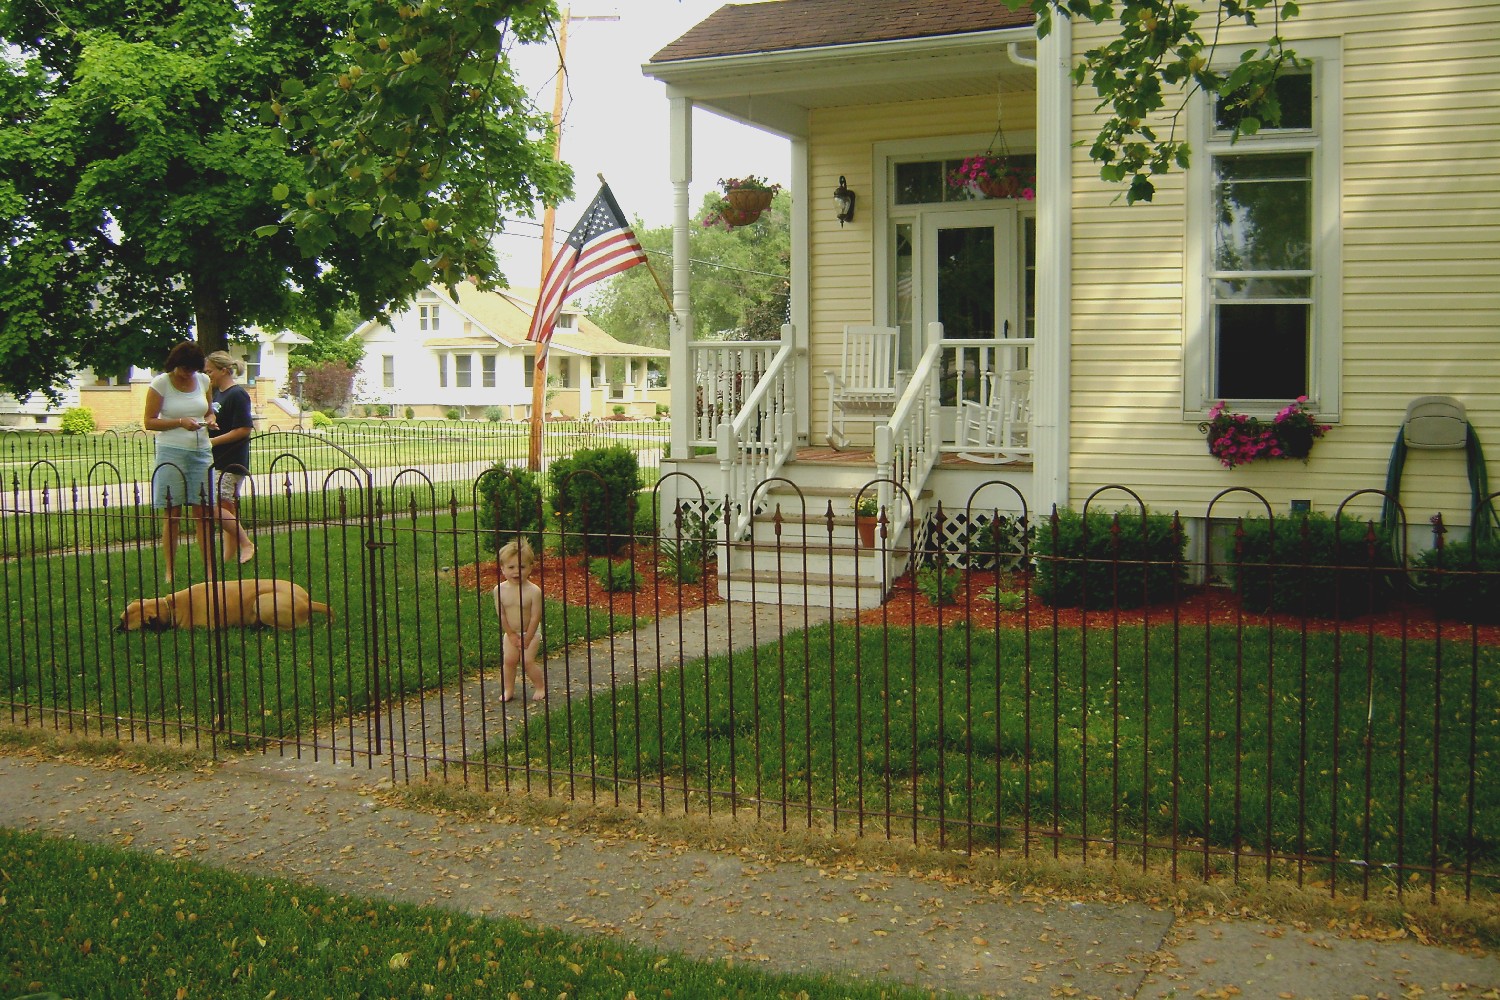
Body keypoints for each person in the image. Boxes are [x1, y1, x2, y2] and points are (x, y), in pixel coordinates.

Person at [144, 341, 216, 583]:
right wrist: (179, 422)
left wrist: (211, 419)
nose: (188, 374)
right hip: (171, 451)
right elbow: (149, 422)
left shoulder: (204, 381)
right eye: (185, 369)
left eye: (193, 370)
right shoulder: (161, 383)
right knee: (172, 511)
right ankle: (170, 571)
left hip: (201, 450)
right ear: (175, 364)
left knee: (203, 511)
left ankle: (208, 569)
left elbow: (208, 411)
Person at [205, 351, 256, 565]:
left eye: (210, 371)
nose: (207, 376)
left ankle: (247, 543)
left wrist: (213, 442)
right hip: (218, 459)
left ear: (223, 370)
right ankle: (228, 560)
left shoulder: (237, 394)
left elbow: (244, 429)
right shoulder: (218, 394)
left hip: (232, 460)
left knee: (214, 506)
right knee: (227, 510)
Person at [491, 537, 544, 702]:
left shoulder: (534, 591)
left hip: (531, 633)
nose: (516, 571)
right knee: (509, 660)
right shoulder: (499, 590)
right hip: (511, 633)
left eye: (521, 567)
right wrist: (511, 634)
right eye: (511, 567)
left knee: (527, 661)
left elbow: (536, 616)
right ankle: (508, 690)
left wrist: (527, 637)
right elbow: (502, 614)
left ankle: (541, 687)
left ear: (530, 568)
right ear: (502, 569)